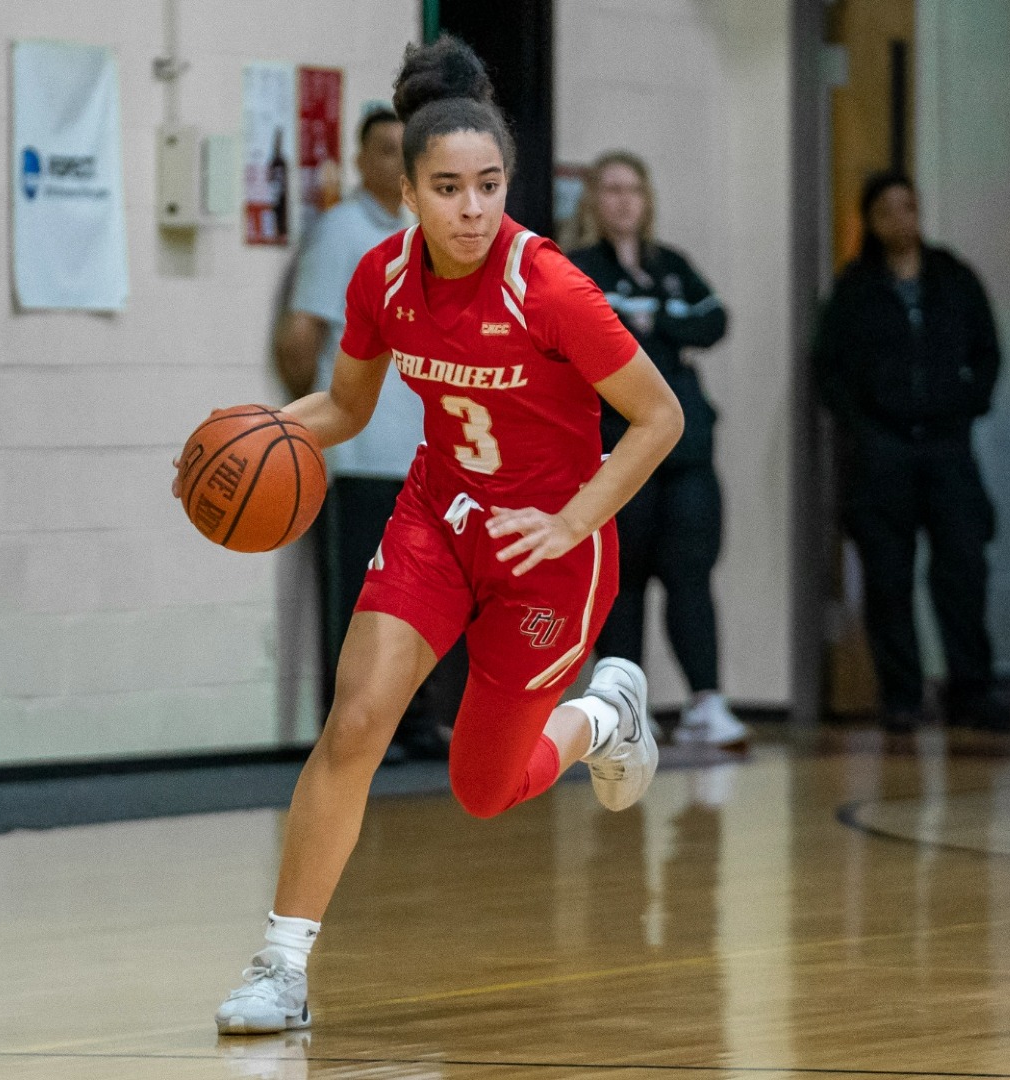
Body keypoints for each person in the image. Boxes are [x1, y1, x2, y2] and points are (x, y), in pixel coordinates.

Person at [205, 36, 684, 1034]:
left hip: (548, 551)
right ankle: (279, 968)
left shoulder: (546, 286)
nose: (473, 208)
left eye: (490, 185)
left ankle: (605, 717)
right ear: (410, 194)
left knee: (482, 787)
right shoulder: (382, 277)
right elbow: (344, 407)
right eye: (450, 188)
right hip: (438, 518)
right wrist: (260, 433)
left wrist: (569, 521)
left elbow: (658, 416)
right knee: (357, 720)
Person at [274, 107, 459, 760]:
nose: (393, 164)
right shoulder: (341, 231)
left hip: (422, 458)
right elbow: (300, 340)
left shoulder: (423, 237)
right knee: (358, 603)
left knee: (419, 601)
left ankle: (412, 724)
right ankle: (352, 729)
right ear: (360, 160)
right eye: (383, 151)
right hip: (357, 457)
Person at [813, 173, 1010, 734]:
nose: (901, 220)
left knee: (963, 570)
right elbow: (828, 369)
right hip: (882, 454)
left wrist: (968, 403)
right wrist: (864, 426)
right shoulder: (854, 289)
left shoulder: (952, 277)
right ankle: (901, 697)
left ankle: (972, 690)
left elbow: (987, 349)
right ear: (871, 221)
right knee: (887, 578)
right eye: (887, 211)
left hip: (949, 448)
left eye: (909, 208)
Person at [566, 151, 749, 750]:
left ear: (647, 200)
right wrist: (640, 320)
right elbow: (579, 335)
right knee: (621, 582)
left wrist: (657, 318)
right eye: (611, 189)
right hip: (617, 449)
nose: (622, 201)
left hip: (685, 454)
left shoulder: (670, 266)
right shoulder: (577, 266)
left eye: (633, 190)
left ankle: (706, 702)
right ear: (594, 200)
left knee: (690, 575)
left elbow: (713, 320)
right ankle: (620, 709)